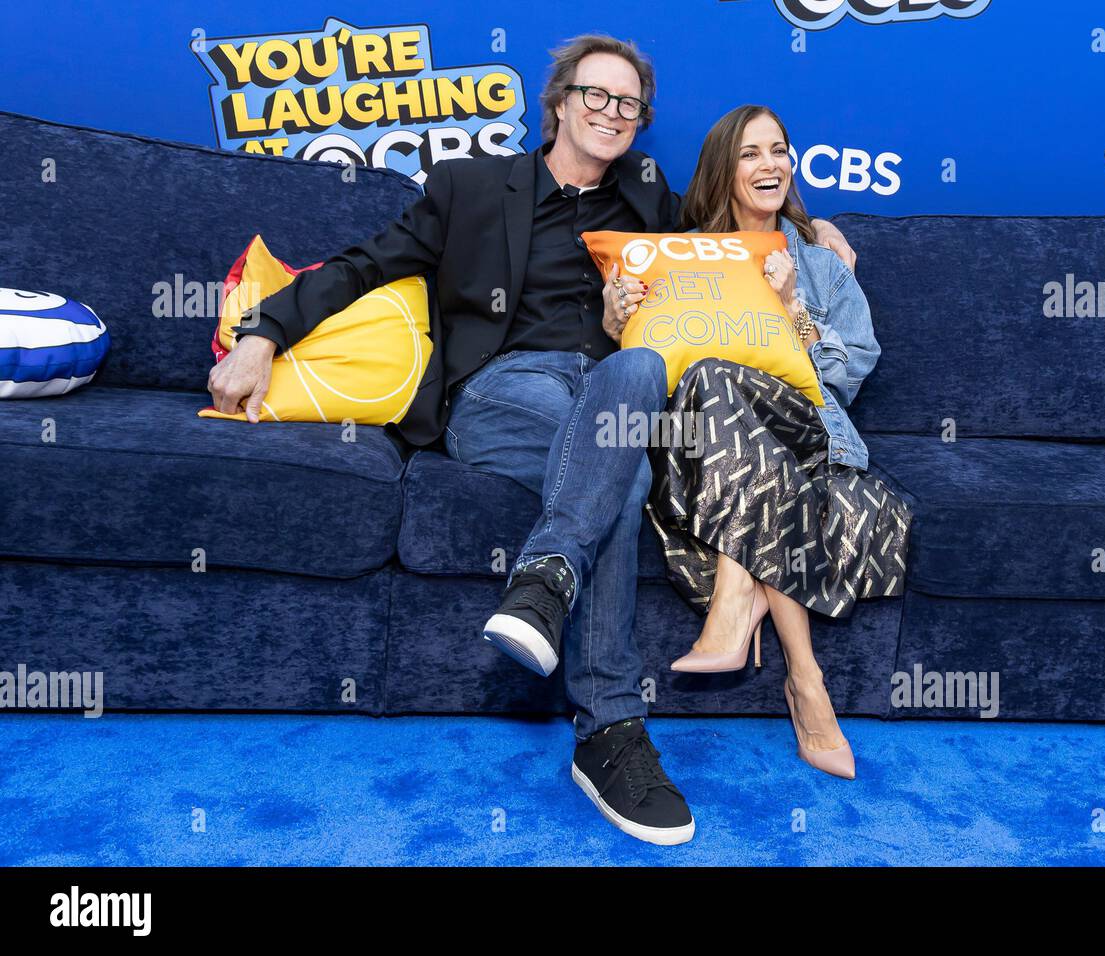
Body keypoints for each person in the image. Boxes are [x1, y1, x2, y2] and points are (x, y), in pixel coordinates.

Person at [206, 37, 857, 845]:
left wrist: (808, 229)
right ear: (557, 103)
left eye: (629, 105)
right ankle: (611, 732)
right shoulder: (468, 186)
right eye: (597, 96)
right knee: (615, 474)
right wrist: (264, 332)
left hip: (612, 388)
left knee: (638, 375)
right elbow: (363, 265)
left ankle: (545, 581)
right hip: (501, 390)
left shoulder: (647, 197)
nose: (614, 114)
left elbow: (721, 238)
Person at [645, 105, 913, 780]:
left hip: (811, 431)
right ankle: (806, 681)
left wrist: (793, 310)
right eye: (750, 153)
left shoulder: (821, 263)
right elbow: (656, 379)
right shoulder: (683, 259)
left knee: (728, 394)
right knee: (710, 381)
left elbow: (846, 378)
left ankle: (738, 607)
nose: (769, 165)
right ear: (723, 171)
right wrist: (622, 313)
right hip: (712, 445)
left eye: (779, 150)